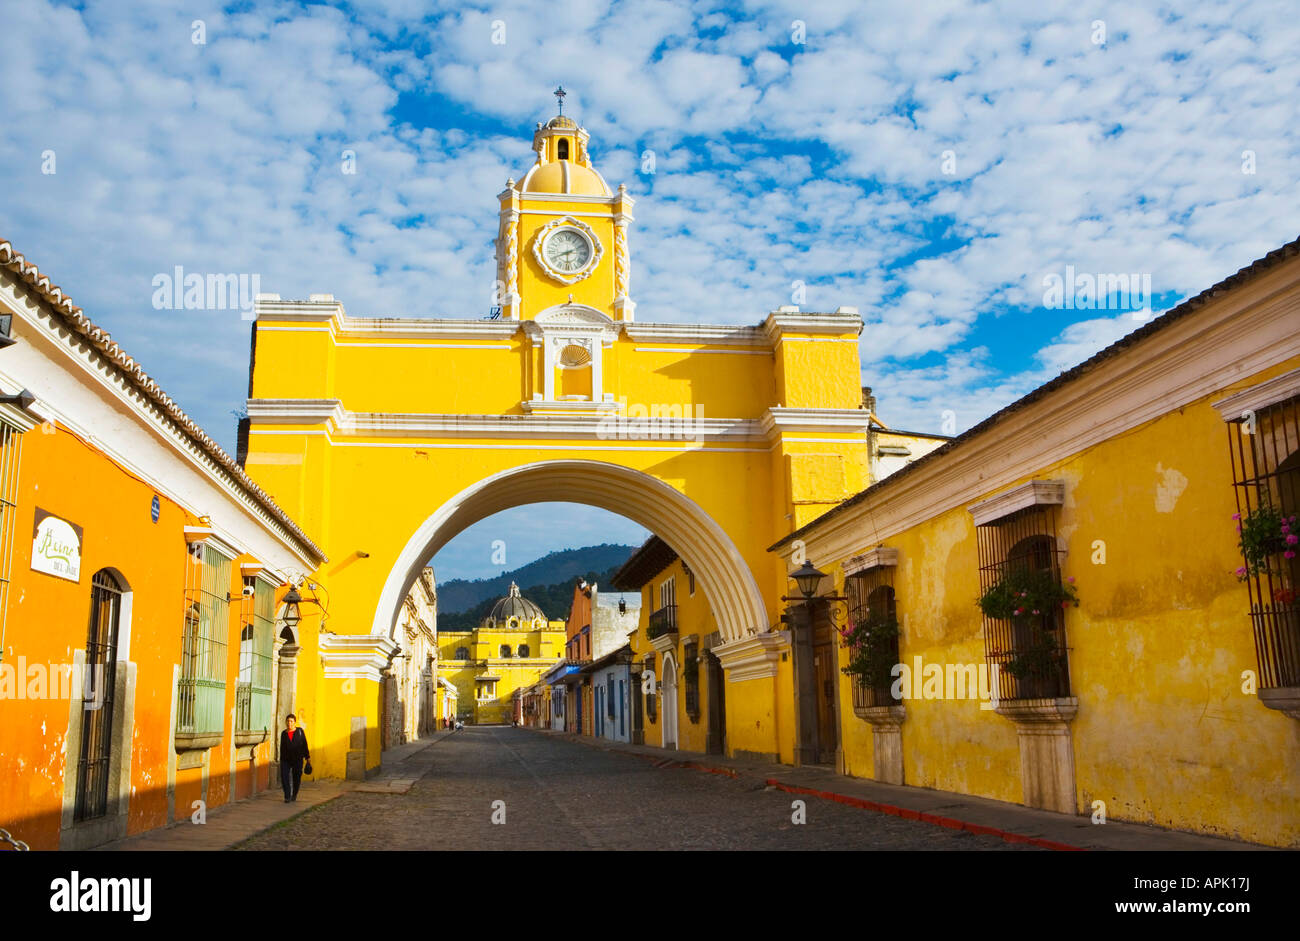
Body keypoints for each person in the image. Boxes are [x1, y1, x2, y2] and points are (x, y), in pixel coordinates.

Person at [279, 713, 311, 803]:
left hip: (297, 759)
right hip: (285, 760)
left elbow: (304, 744)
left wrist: (307, 757)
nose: (289, 723)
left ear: (295, 722)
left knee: (296, 777)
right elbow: (282, 747)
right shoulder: (283, 734)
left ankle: (294, 794)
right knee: (284, 777)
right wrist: (281, 759)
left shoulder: (300, 731)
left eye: (291, 721)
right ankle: (287, 796)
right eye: (288, 721)